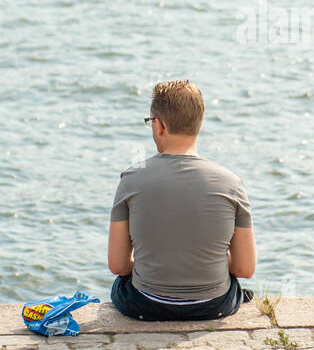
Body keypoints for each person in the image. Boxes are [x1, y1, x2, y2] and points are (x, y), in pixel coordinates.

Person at [108, 80, 256, 321]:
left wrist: (154, 260)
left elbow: (118, 266)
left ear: (160, 126)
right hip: (212, 305)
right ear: (198, 123)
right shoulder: (231, 183)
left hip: (145, 304)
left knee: (120, 284)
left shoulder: (130, 180)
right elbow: (244, 269)